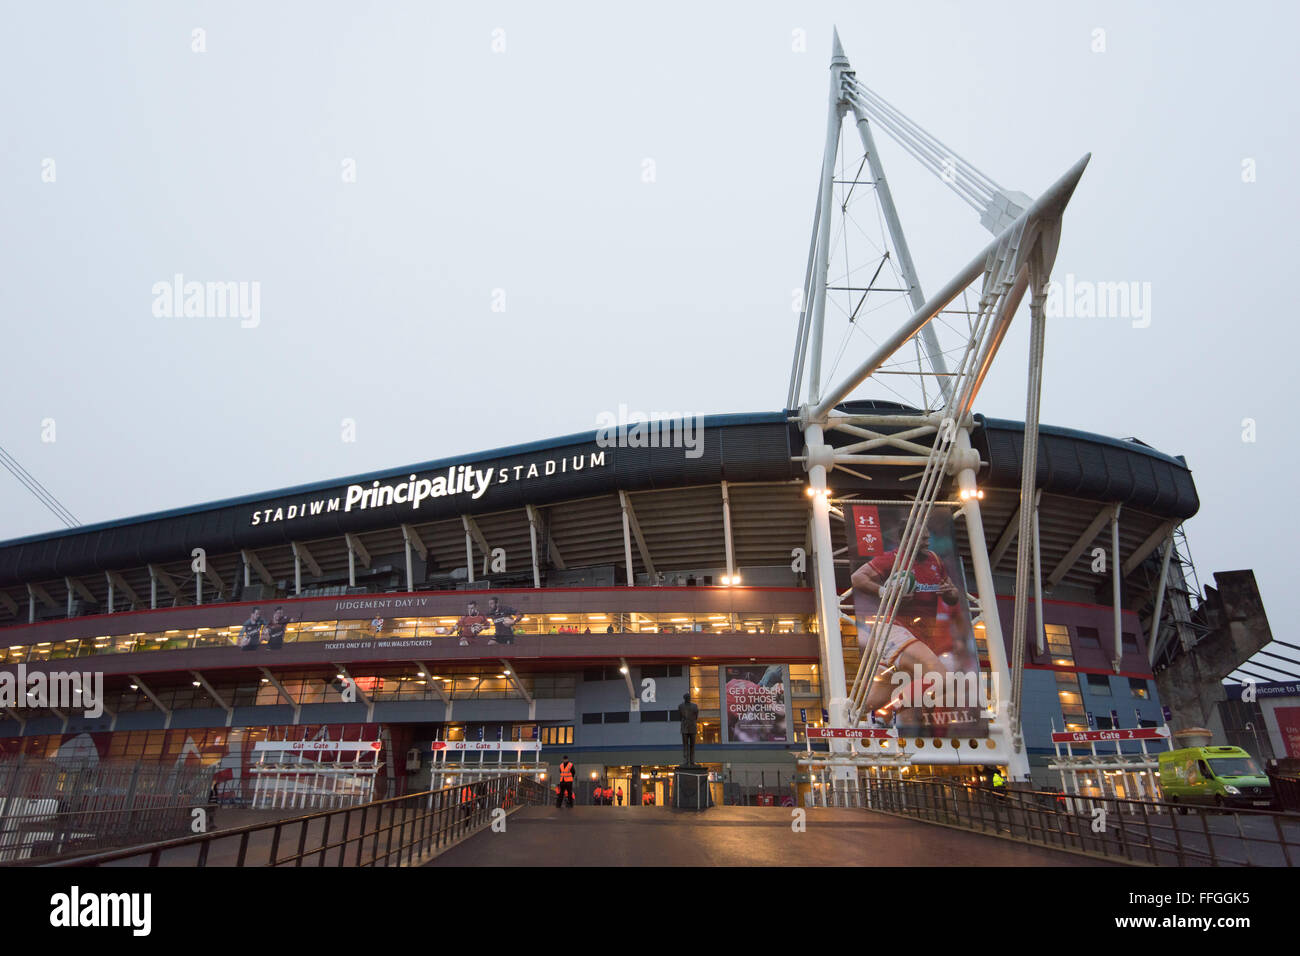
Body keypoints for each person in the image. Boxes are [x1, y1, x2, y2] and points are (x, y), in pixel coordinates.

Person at [850, 522, 962, 717]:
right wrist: (883, 590)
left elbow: (952, 597)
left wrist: (950, 592)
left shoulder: (934, 559)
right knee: (942, 679)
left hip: (919, 636)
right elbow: (857, 577)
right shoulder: (893, 559)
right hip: (896, 631)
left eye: (928, 536)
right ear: (906, 540)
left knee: (870, 704)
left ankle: (849, 718)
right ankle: (887, 715)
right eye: (923, 538)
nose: (928, 541)